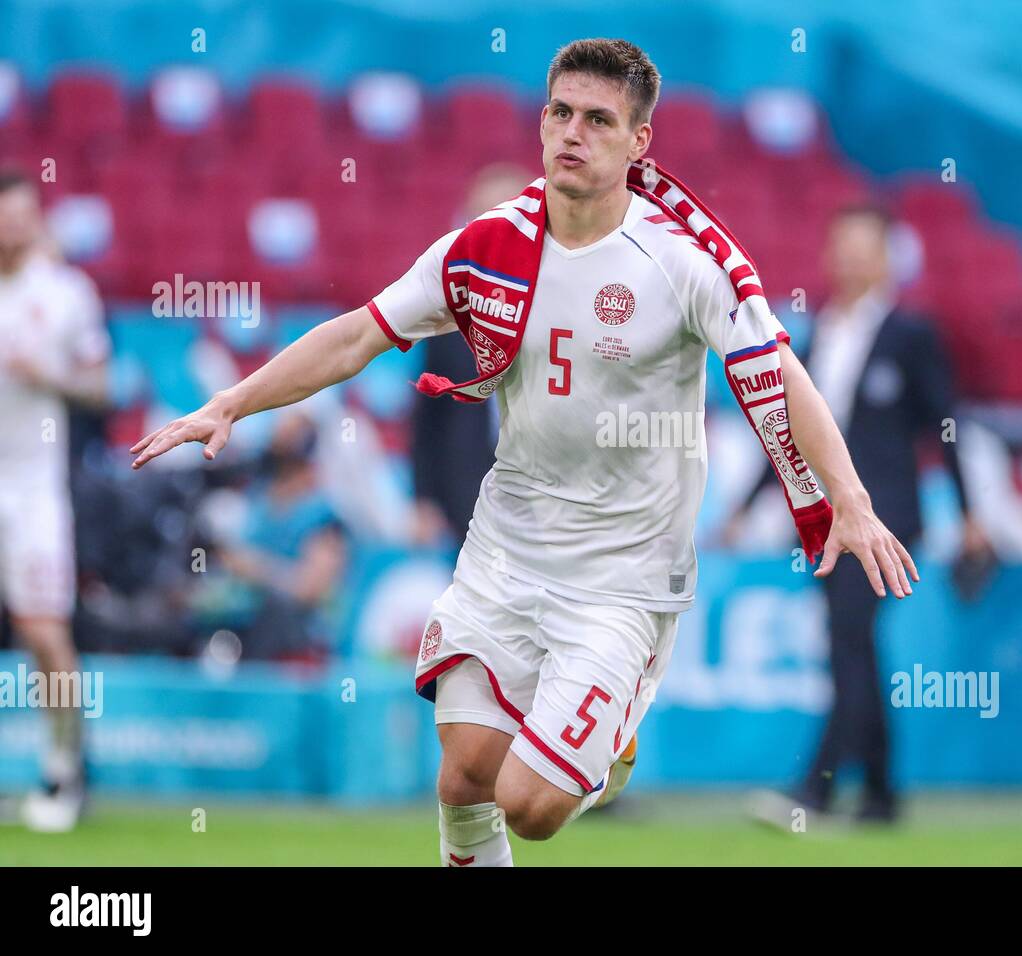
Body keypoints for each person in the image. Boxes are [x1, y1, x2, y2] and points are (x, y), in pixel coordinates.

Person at [130, 38, 918, 866]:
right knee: (464, 774)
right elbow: (359, 334)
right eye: (561, 113)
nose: (573, 133)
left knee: (530, 805)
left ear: (638, 143)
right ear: (542, 121)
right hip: (508, 550)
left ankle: (607, 749)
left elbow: (780, 375)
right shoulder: (487, 247)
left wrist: (851, 502)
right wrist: (231, 403)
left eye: (600, 120)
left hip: (625, 577)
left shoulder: (684, 262)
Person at [733, 203, 988, 822]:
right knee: (855, 646)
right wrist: (745, 505)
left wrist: (971, 511)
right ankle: (879, 791)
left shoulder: (912, 334)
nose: (847, 258)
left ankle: (815, 788)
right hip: (823, 519)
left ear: (886, 259)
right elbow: (793, 430)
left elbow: (945, 427)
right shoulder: (819, 330)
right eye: (840, 245)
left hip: (886, 514)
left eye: (860, 247)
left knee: (849, 640)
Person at [0, 169, 111, 831]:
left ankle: (65, 771)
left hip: (34, 490)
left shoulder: (66, 293)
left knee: (44, 631)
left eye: (22, 215)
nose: (13, 226)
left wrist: (52, 376)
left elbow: (101, 387)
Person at [410, 164, 531, 545]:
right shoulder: (446, 315)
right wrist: (425, 499)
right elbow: (428, 415)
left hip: (547, 498)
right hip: (467, 498)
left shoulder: (566, 300)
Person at [208, 412, 348, 660]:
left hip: (293, 637)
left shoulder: (322, 514)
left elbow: (310, 589)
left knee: (277, 611)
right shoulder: (257, 499)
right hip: (240, 623)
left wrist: (254, 568)